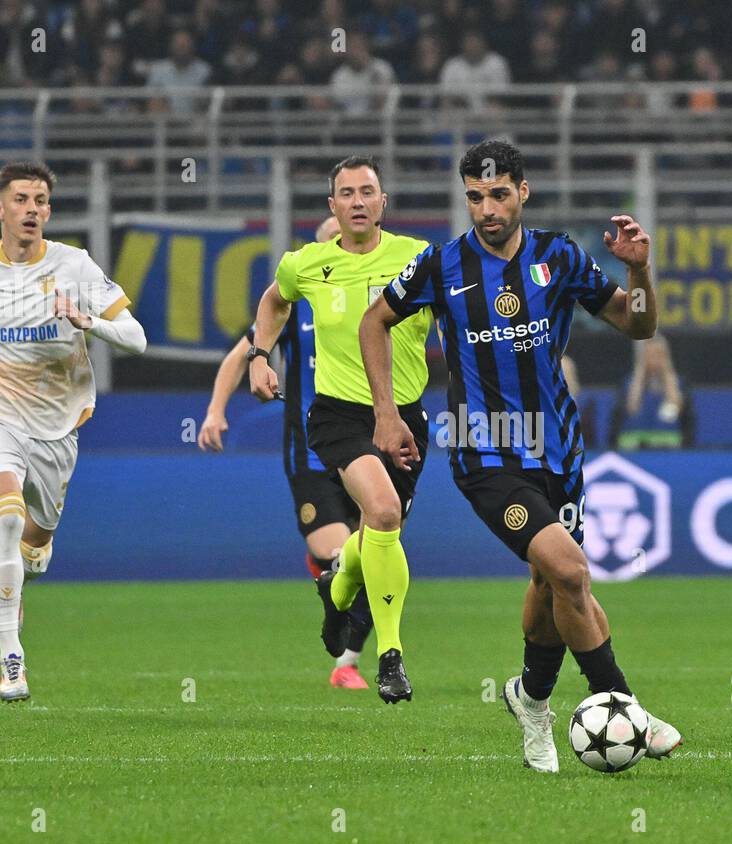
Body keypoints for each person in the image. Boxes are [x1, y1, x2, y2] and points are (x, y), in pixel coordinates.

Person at [358, 139, 682, 773]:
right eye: (475, 197)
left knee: (547, 584)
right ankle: (623, 705)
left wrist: (639, 271)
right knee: (571, 571)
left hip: (558, 451)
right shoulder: (440, 265)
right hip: (486, 456)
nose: (486, 209)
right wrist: (388, 413)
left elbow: (638, 326)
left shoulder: (558, 256)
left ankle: (530, 700)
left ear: (523, 192)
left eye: (499, 195)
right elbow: (375, 322)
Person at [0, 161, 147, 701]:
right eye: (21, 199)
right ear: (0, 208)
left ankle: (30, 561)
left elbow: (136, 339)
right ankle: (12, 658)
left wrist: (91, 323)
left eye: (40, 200)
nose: (32, 208)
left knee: (35, 544)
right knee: (6, 513)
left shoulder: (75, 266)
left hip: (58, 427)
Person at [248, 156, 432, 703]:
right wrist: (260, 355)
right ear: (332, 207)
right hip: (337, 416)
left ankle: (337, 586)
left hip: (405, 416)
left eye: (366, 191)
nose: (356, 201)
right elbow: (273, 302)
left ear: (383, 203)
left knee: (374, 535)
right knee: (383, 512)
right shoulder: (306, 264)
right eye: (345, 193)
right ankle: (390, 657)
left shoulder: (418, 258)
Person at [199, 217, 374, 689]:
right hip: (312, 452)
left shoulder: (375, 298)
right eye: (328, 243)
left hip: (367, 448)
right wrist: (216, 411)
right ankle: (324, 571)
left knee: (375, 557)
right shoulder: (295, 299)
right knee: (341, 558)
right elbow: (242, 353)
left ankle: (347, 664)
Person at [610, 335, 694, 450]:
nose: (654, 360)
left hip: (669, 451)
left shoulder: (679, 384)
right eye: (649, 355)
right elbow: (618, 418)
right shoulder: (628, 385)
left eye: (658, 355)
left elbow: (687, 420)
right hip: (633, 451)